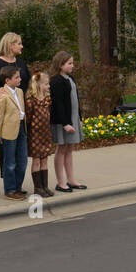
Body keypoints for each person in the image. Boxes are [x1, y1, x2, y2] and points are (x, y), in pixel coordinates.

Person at [0, 32, 31, 183]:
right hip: (6, 112)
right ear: (10, 45)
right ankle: (9, 184)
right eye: (19, 43)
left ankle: (17, 183)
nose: (22, 46)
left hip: (21, 113)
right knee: (8, 152)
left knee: (21, 154)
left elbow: (27, 84)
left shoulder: (21, 63)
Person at [49, 51, 87, 192]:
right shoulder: (56, 81)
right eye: (69, 63)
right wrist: (65, 123)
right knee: (61, 149)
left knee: (70, 149)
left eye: (72, 63)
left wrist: (79, 118)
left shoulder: (70, 78)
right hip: (62, 122)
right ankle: (61, 182)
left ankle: (71, 180)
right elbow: (58, 104)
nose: (72, 65)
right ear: (60, 65)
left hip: (73, 119)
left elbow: (76, 100)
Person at [0, 65, 29, 200]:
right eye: (16, 77)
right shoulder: (2, 95)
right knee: (10, 162)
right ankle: (10, 189)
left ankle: (18, 187)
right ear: (7, 81)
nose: (20, 79)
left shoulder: (19, 92)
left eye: (19, 76)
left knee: (22, 160)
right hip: (8, 131)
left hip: (21, 128)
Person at [24, 70, 55, 198]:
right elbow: (28, 118)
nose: (48, 87)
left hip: (46, 133)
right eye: (46, 84)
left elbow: (49, 114)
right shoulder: (31, 101)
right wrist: (29, 133)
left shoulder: (47, 99)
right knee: (36, 161)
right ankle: (37, 187)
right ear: (38, 85)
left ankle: (44, 186)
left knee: (45, 160)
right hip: (35, 135)